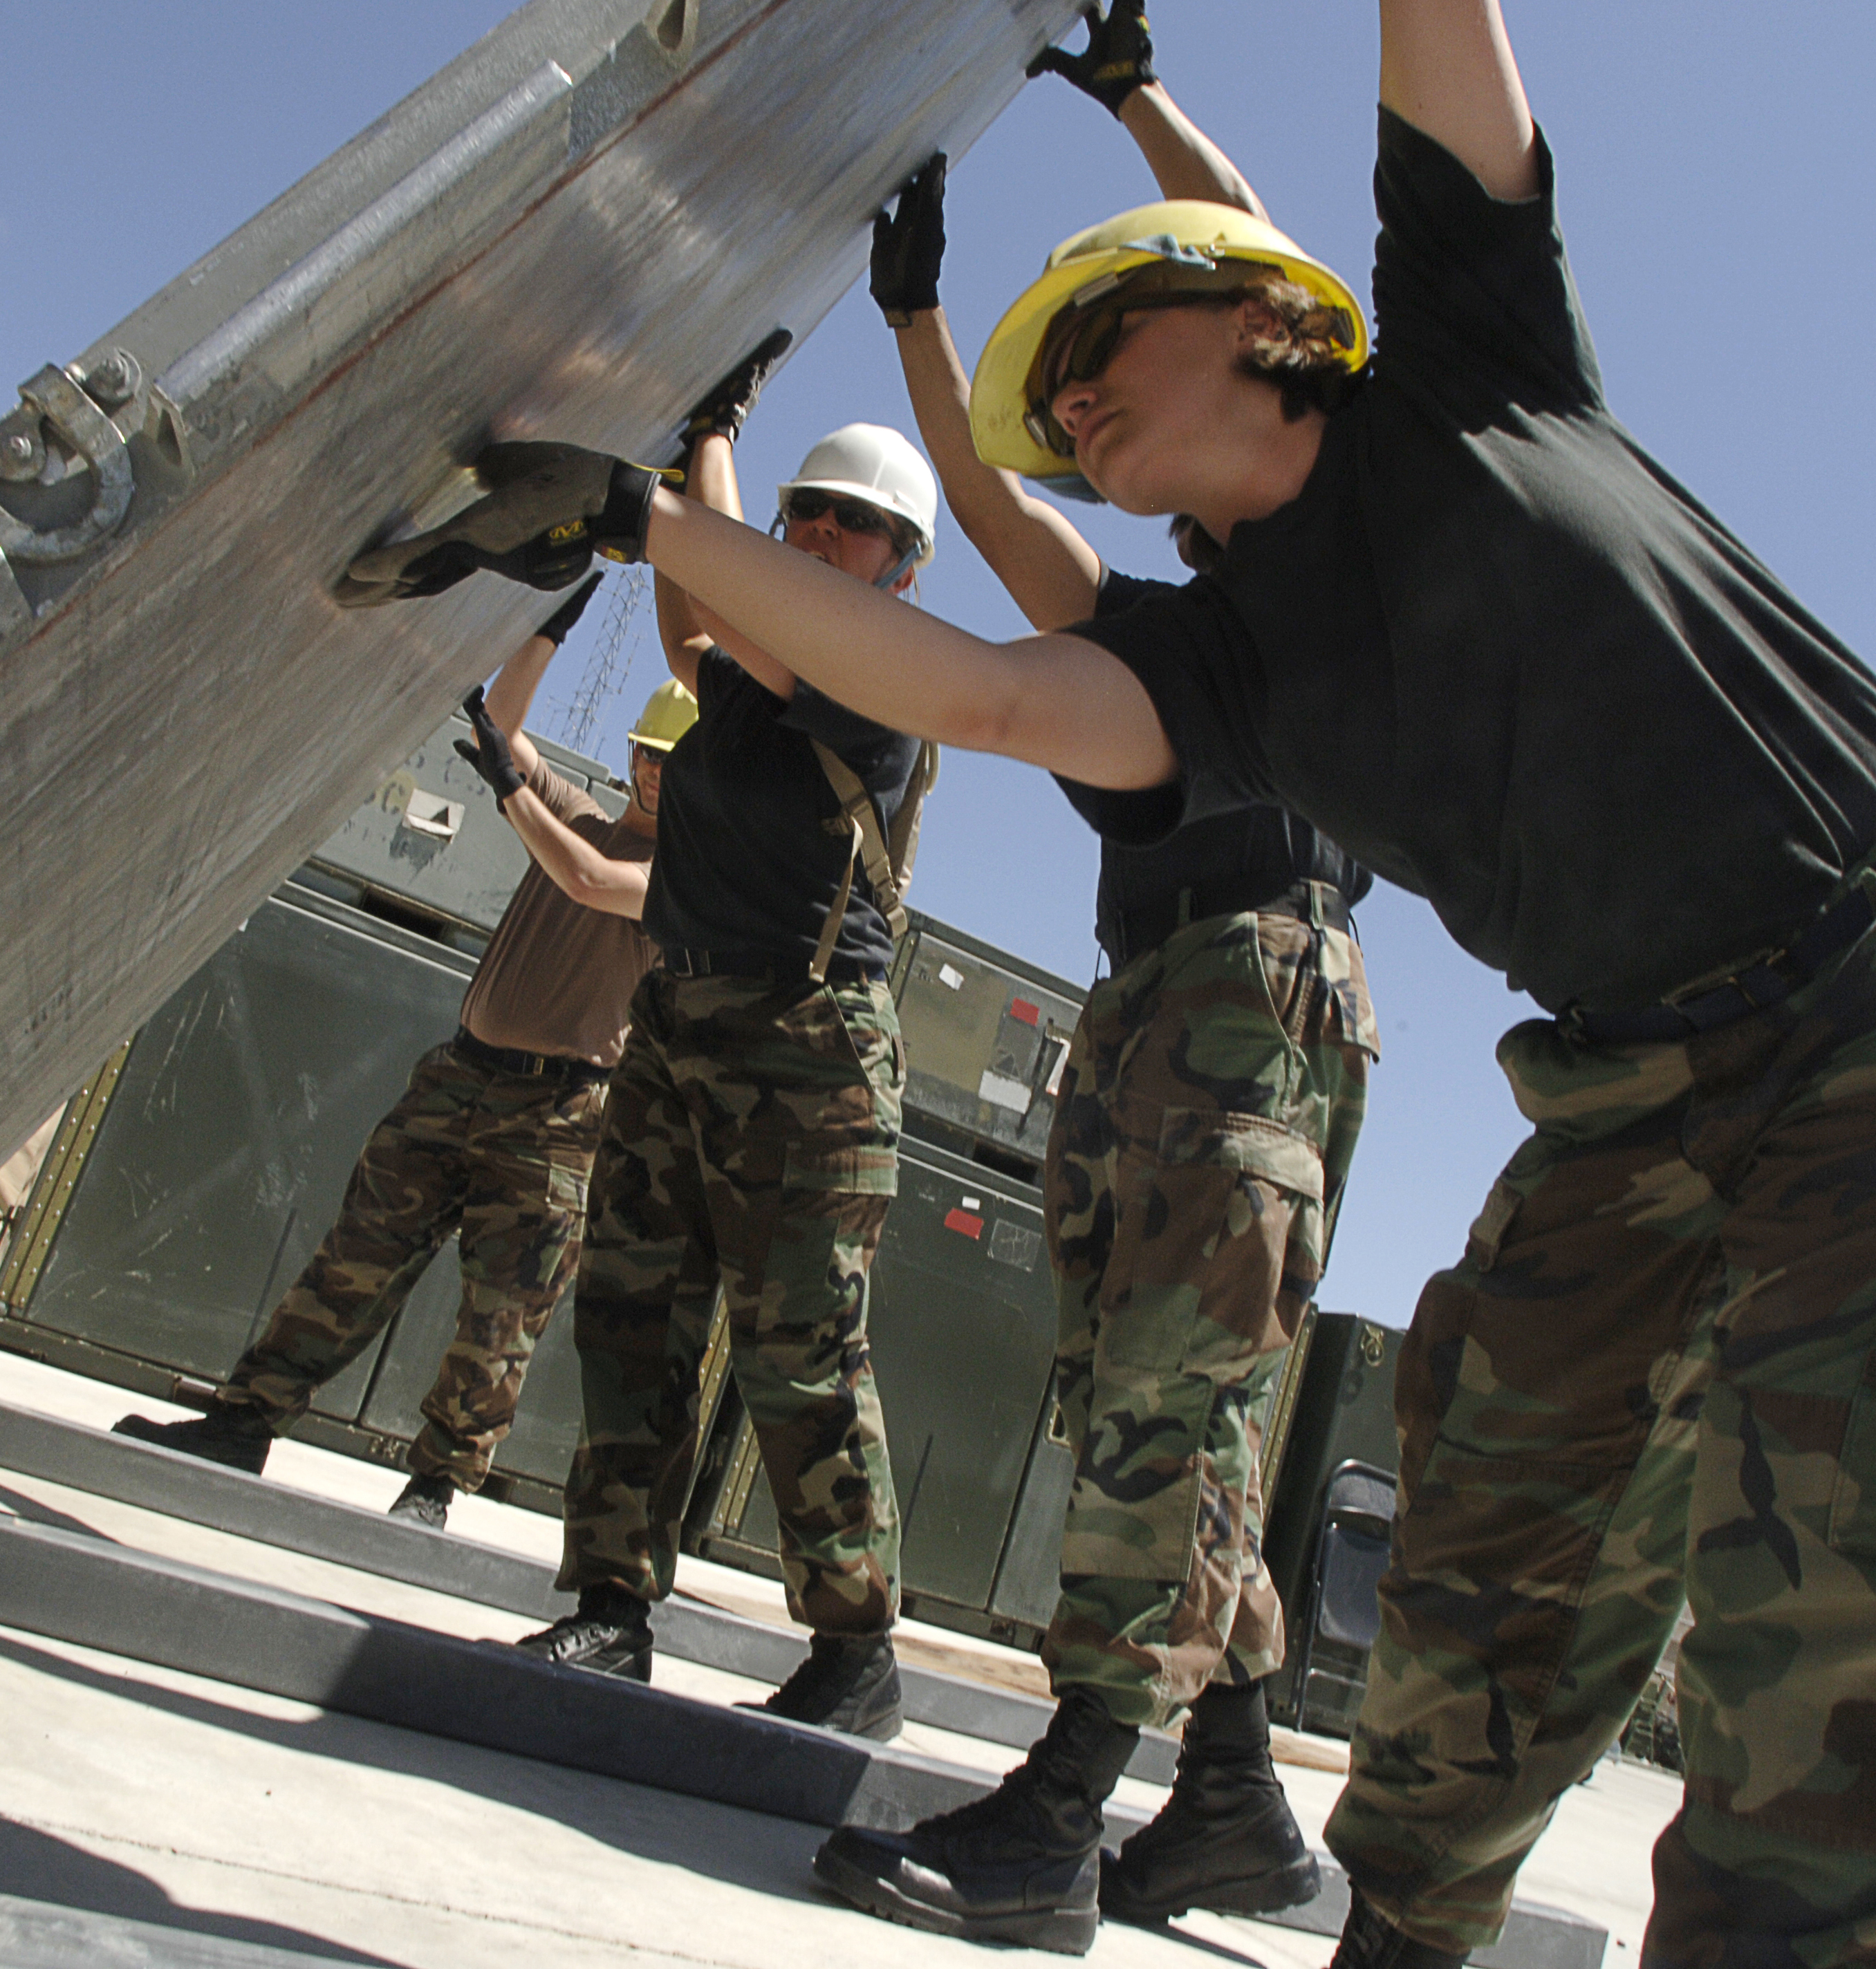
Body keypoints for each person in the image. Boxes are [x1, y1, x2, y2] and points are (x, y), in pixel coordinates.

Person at [353, 3, 1876, 1963]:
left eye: (1083, 353)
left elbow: (1424, 100)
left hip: (1854, 999)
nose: (1058, 402)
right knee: (1469, 1623)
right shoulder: (1218, 668)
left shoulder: (1475, 377)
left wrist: (1133, 88)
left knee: (1809, 1687)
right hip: (1617, 1110)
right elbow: (981, 686)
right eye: (1038, 395)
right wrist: (644, 518)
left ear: (1258, 321)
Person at [799, 17, 1374, 1943]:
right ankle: (1221, 1805)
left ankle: (1059, 1813)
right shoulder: (1159, 624)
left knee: (1158, 1404)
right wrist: (914, 321)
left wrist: (1129, 91)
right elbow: (988, 517)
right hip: (1157, 1001)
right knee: (1152, 1410)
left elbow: (1250, 269)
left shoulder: (1327, 565)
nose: (1132, 440)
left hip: (1255, 986)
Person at [508, 349, 933, 1741]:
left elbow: (729, 600)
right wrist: (703, 439)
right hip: (681, 1016)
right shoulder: (746, 679)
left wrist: (701, 464)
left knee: (798, 1346)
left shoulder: (886, 682)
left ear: (900, 569)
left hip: (807, 1045)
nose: (816, 532)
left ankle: (856, 1643)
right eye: (803, 510)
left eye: (849, 523)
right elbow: (694, 611)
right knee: (632, 1310)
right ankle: (615, 1603)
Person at [116, 579, 684, 1530]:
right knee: (355, 1258)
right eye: (651, 753)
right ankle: (247, 1418)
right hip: (461, 1072)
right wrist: (553, 619)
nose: (658, 772)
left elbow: (588, 882)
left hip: (560, 1117)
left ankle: (438, 1482)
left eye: (680, 761)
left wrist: (509, 791)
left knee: (503, 1312)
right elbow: (499, 723)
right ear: (631, 753)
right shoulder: (578, 813)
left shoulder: (683, 880)